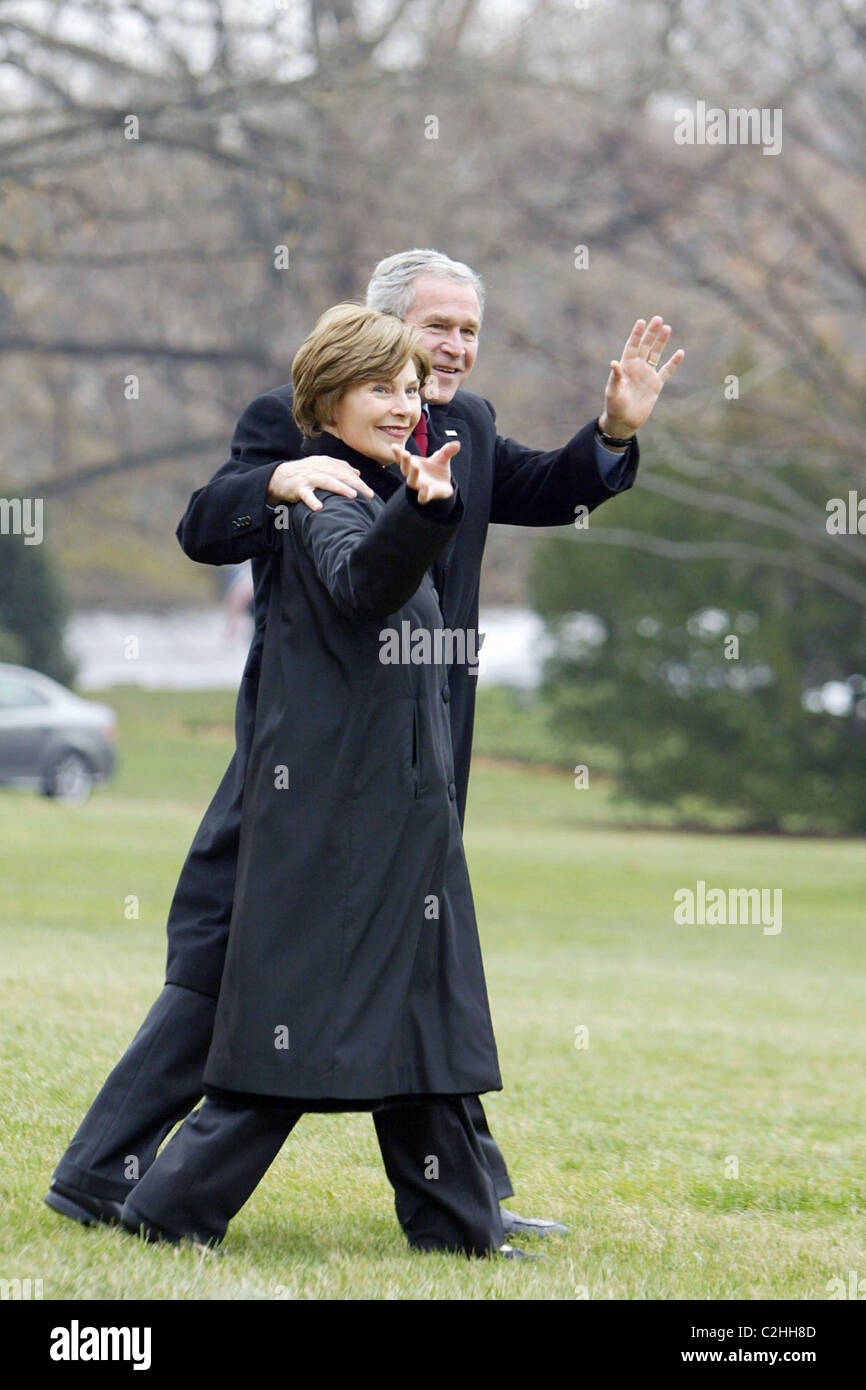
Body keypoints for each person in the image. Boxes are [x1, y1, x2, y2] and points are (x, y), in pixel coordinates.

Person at [46, 249, 683, 1240]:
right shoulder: (301, 430)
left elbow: (551, 491)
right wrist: (274, 480)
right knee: (239, 963)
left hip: (420, 746)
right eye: (437, 328)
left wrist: (609, 435)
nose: (453, 349)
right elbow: (208, 527)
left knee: (409, 968)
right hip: (307, 751)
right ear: (378, 331)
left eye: (469, 330)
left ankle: (462, 1205)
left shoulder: (459, 430)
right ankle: (106, 1177)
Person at [119, 305, 505, 1254]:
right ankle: (168, 1210)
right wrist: (422, 516)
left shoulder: (382, 486)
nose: (405, 404)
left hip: (404, 815)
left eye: (412, 391)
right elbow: (362, 582)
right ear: (328, 399)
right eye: (384, 388)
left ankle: (459, 1226)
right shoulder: (327, 493)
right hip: (340, 822)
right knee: (291, 1033)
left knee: (427, 1030)